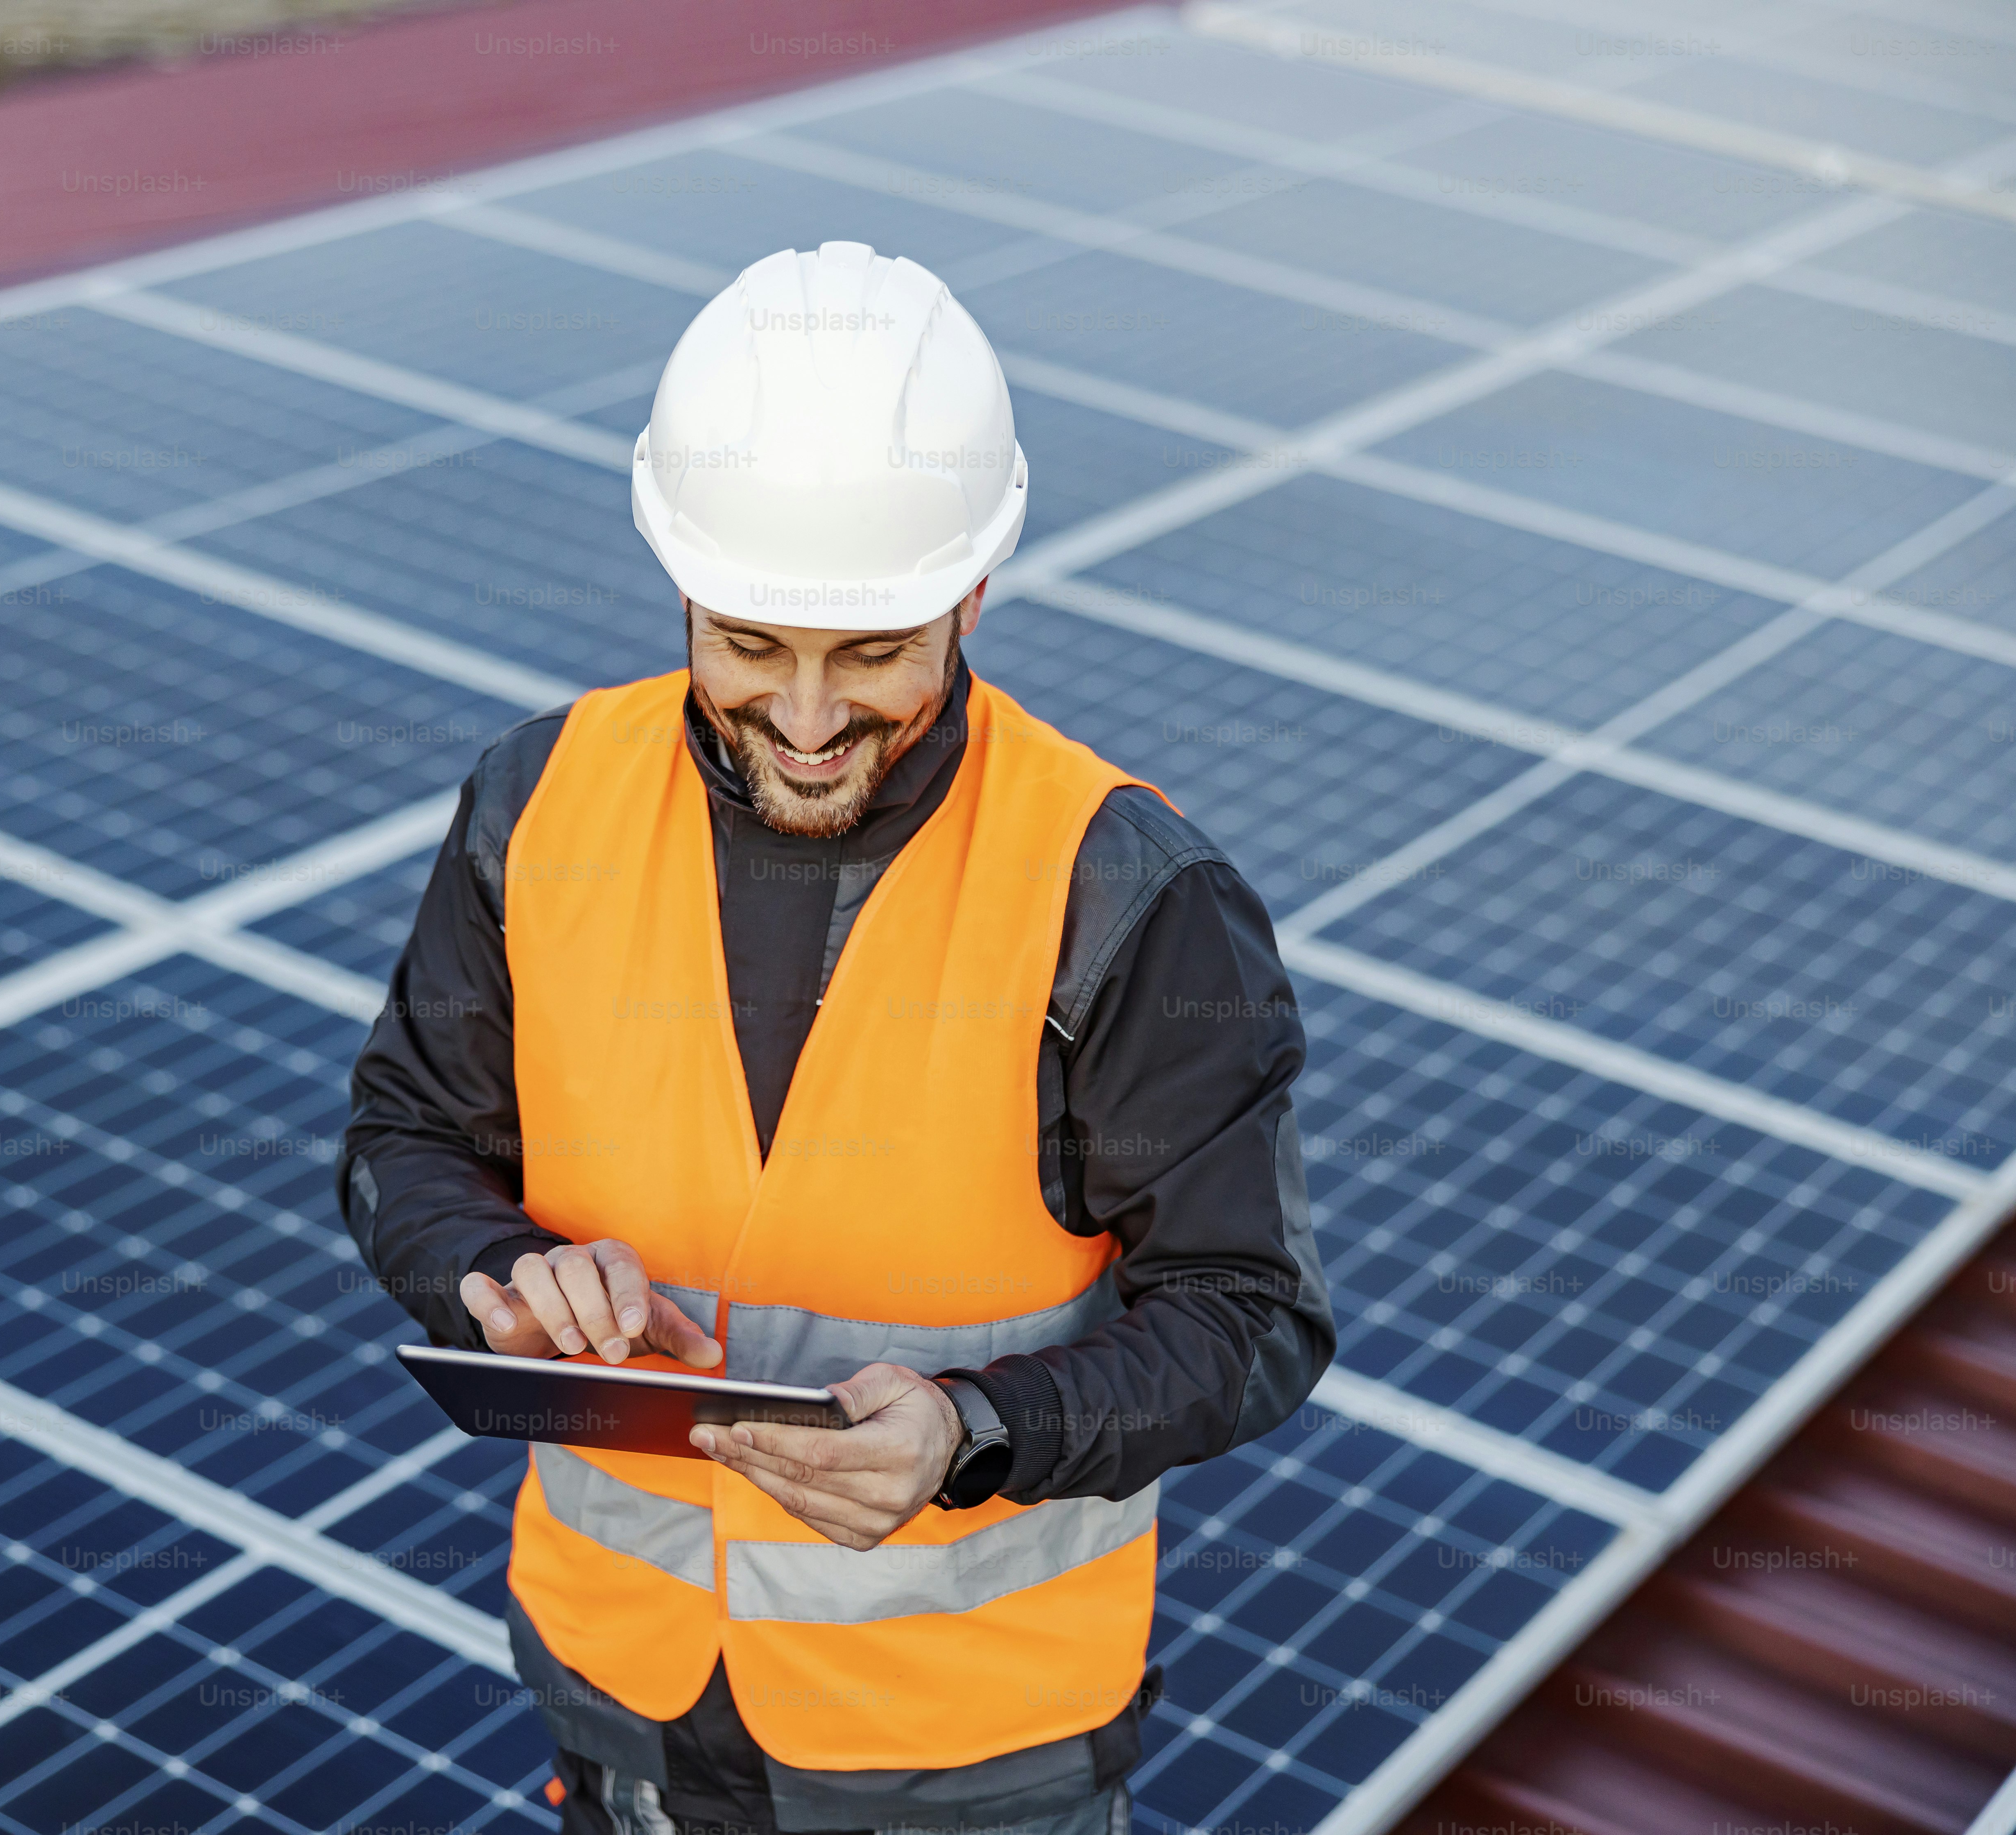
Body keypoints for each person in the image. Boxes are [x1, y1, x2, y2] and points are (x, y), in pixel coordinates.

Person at [340, 242, 1334, 1835]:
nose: (807, 717)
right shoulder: (537, 808)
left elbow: (1251, 1312)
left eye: (870, 652)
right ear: (680, 586)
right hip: (621, 1695)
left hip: (969, 1760)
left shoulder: (1125, 896)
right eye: (749, 644)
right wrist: (496, 1275)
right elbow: (406, 1143)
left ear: (973, 594)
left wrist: (974, 1432)